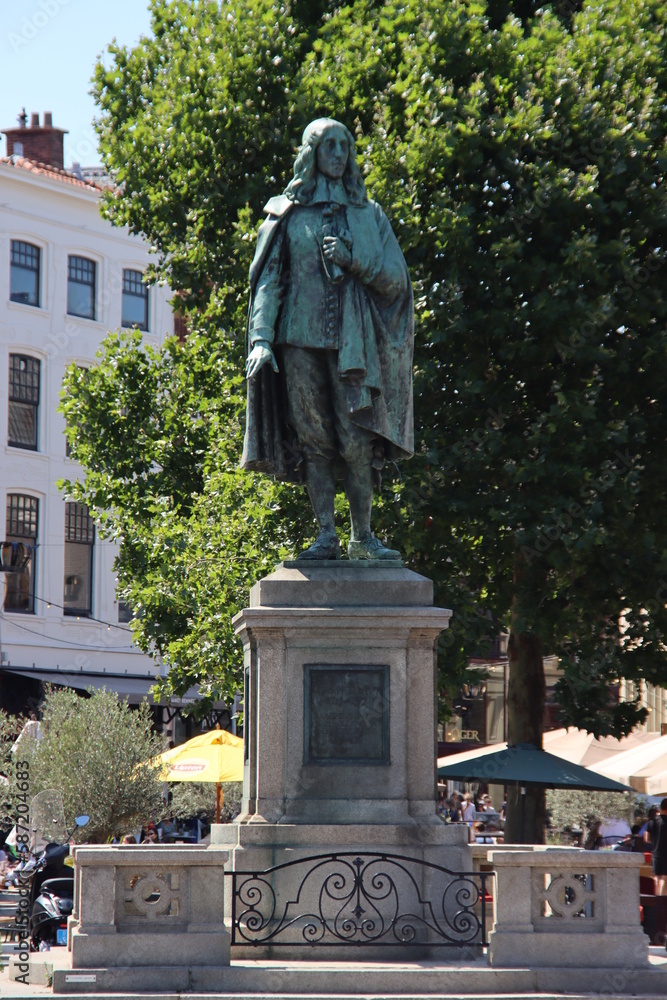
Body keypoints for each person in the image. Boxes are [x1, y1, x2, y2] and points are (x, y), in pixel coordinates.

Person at [242, 118, 414, 560]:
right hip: (298, 341)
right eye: (329, 145)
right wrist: (260, 339)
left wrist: (354, 261)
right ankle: (325, 537)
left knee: (356, 439)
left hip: (352, 345)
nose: (339, 153)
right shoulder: (288, 213)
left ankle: (362, 538)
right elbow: (269, 281)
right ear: (312, 153)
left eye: (345, 146)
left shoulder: (369, 215)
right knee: (314, 441)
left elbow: (396, 280)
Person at [652, 798, 667, 895]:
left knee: (656, 878)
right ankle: (662, 903)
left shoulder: (652, 821)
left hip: (655, 853)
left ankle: (655, 901)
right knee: (664, 878)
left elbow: (646, 838)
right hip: (666, 853)